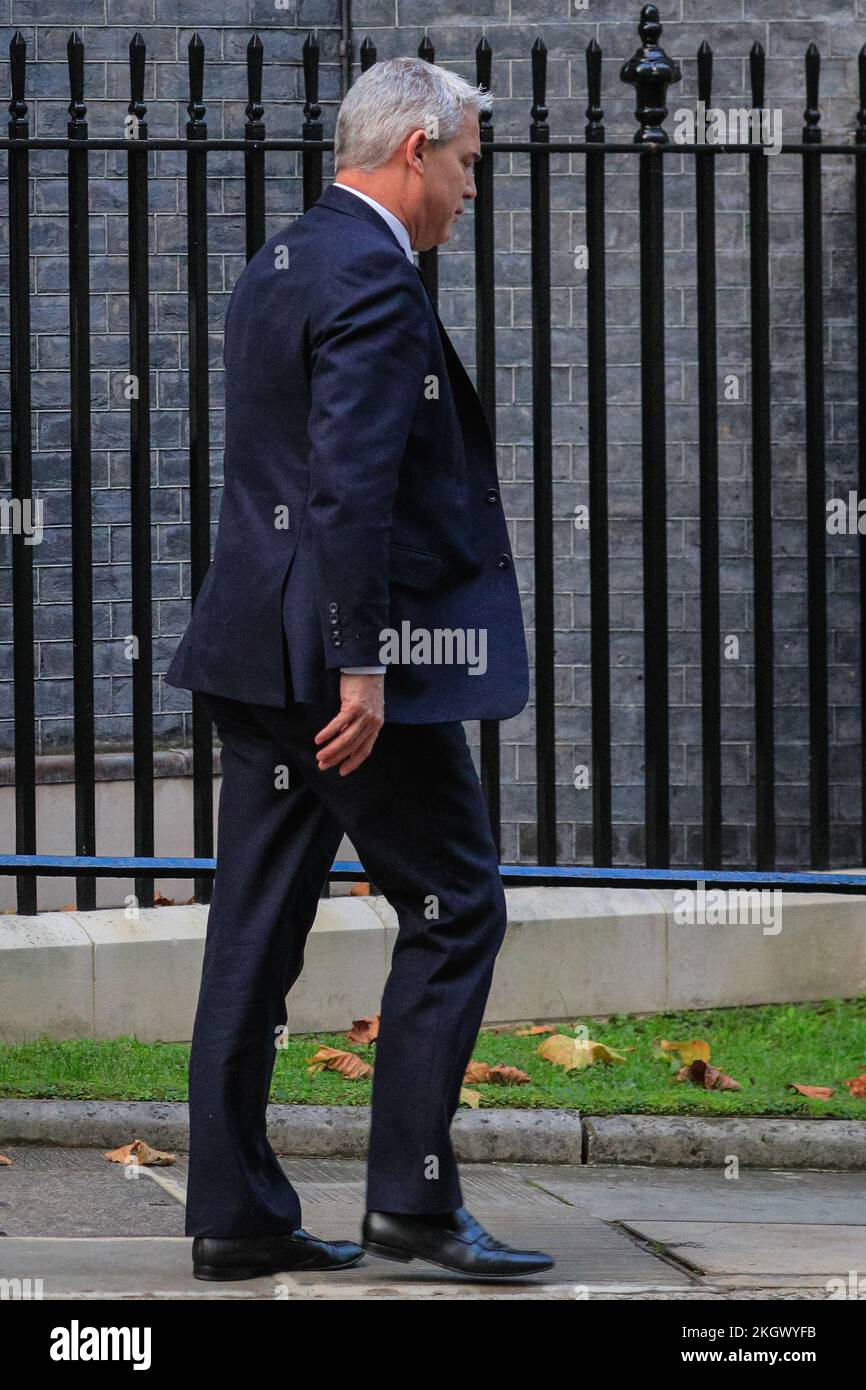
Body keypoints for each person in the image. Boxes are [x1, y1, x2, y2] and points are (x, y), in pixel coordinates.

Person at [166, 55, 554, 1282]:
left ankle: (232, 1215)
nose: (466, 191)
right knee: (456, 907)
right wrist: (365, 667)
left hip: (249, 655)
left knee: (251, 936)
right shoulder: (376, 281)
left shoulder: (277, 264)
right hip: (341, 681)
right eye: (465, 166)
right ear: (413, 148)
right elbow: (348, 489)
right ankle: (416, 1206)